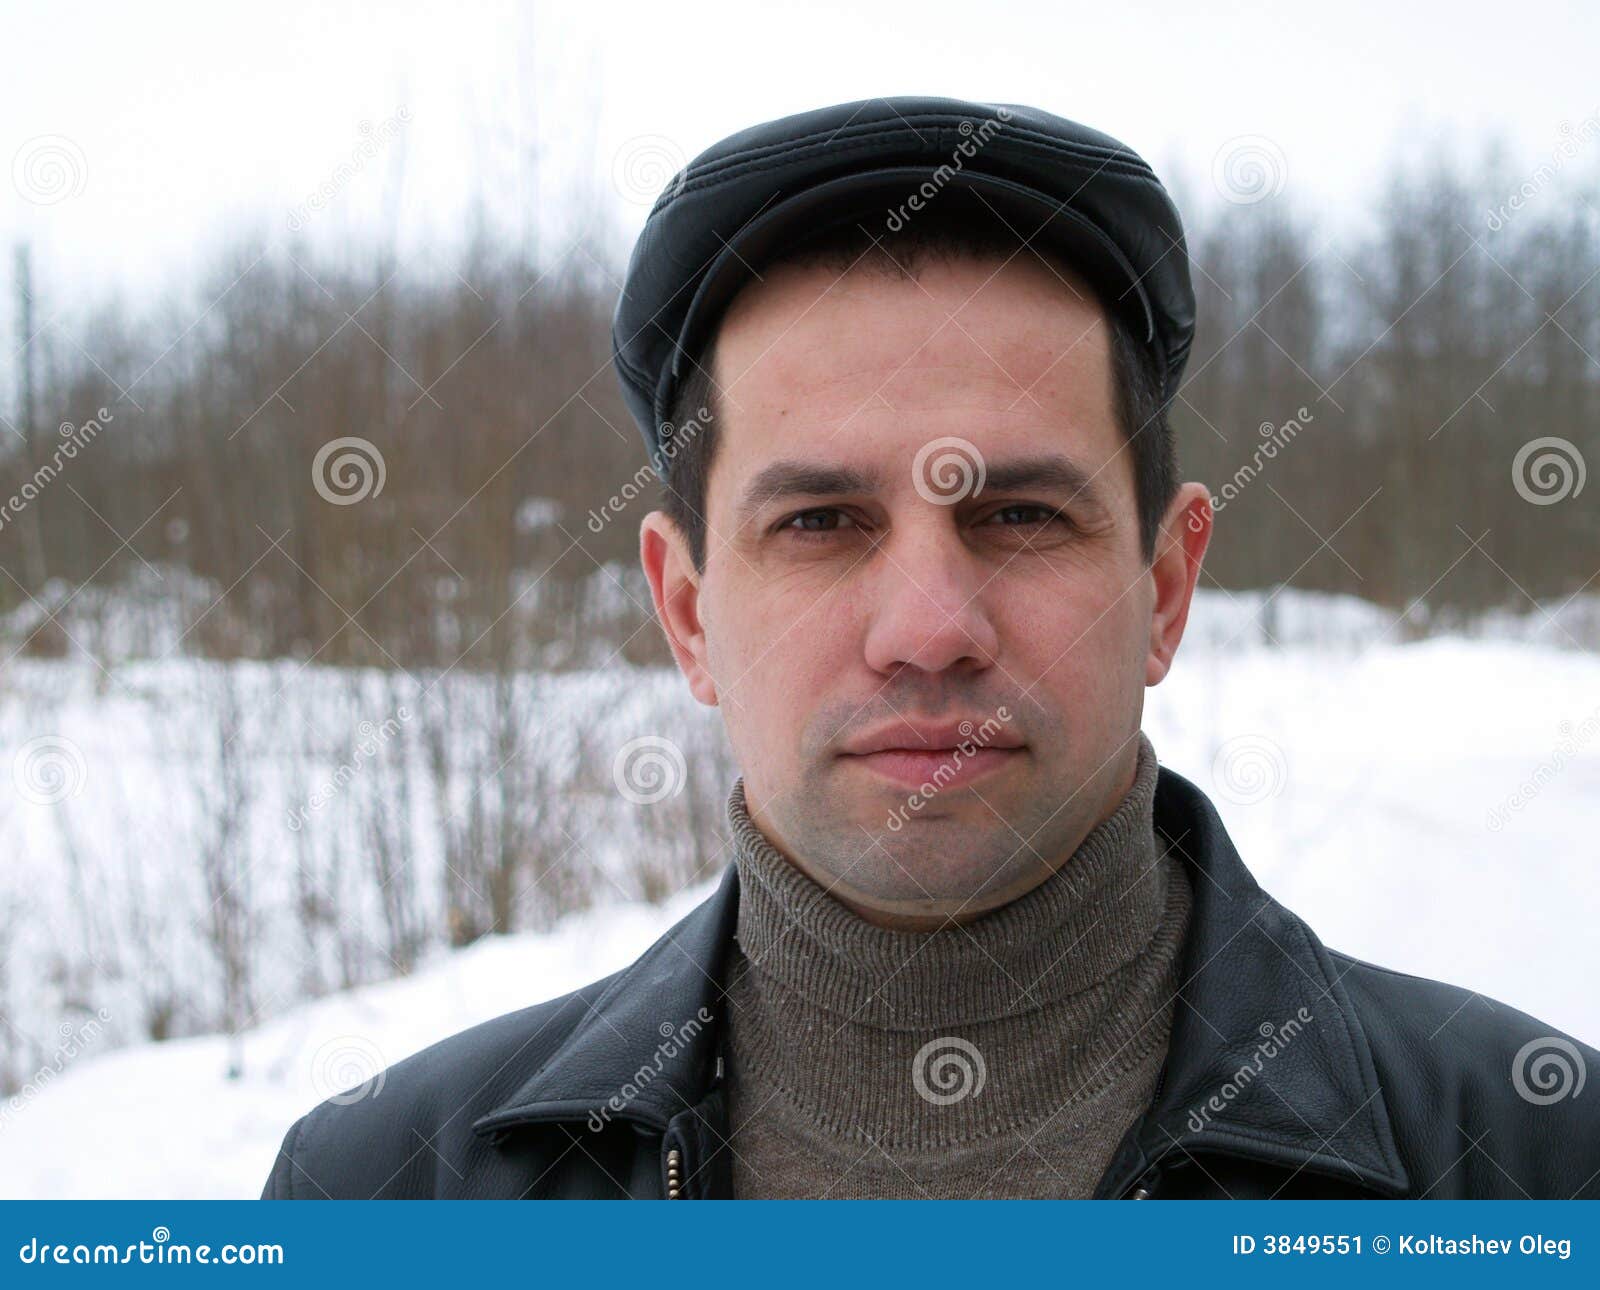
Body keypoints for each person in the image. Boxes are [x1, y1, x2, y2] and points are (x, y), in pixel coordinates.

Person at [261, 97, 1600, 1200]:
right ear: (687, 612)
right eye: (823, 521)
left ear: (1168, 586)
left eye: (1019, 514)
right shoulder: (391, 1190)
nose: (926, 632)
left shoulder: (1534, 1164)